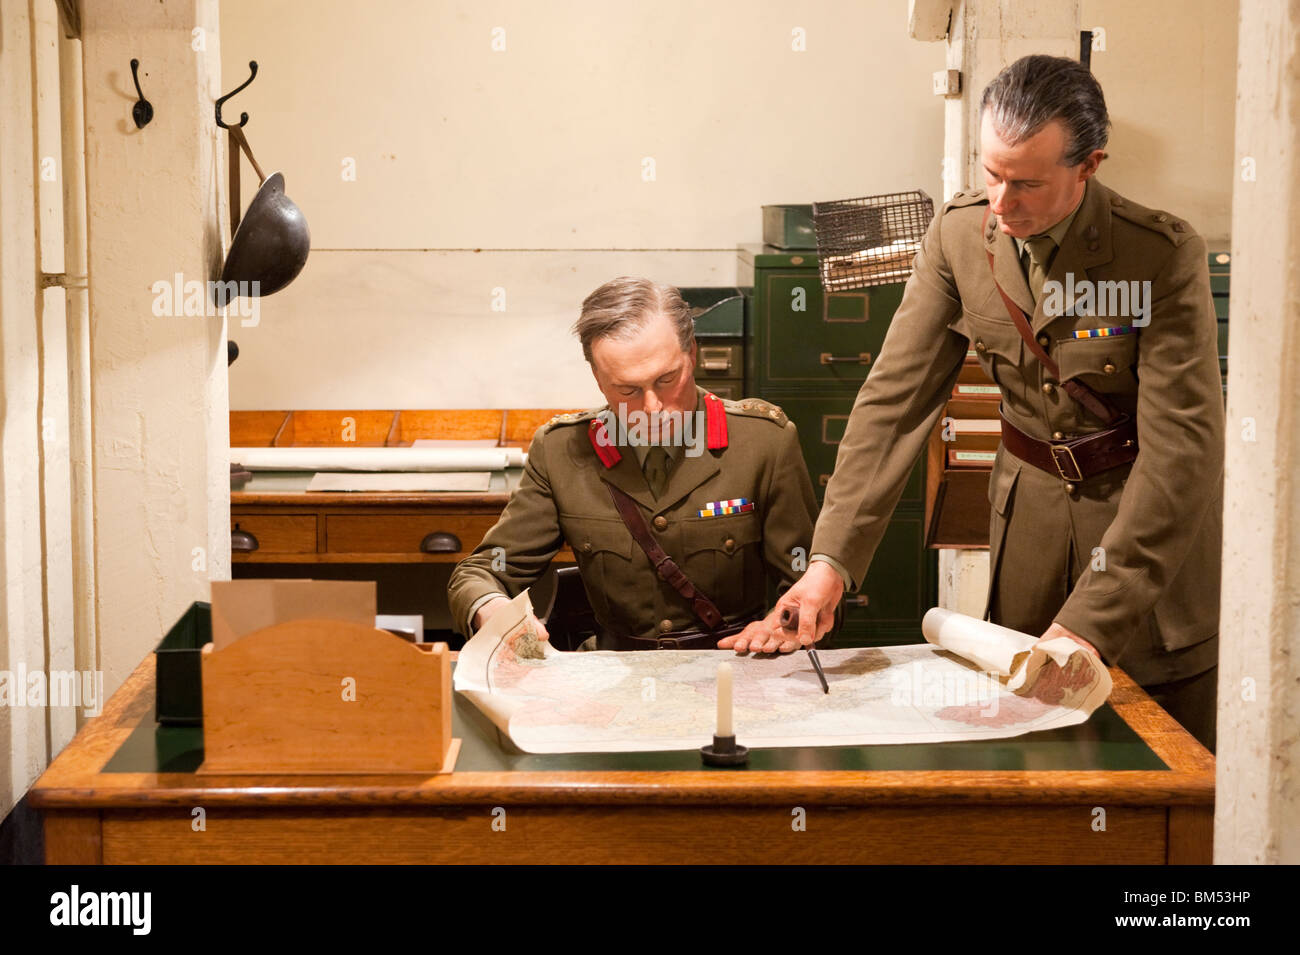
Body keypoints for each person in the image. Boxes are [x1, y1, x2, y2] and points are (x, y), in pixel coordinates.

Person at [741, 55, 1224, 751]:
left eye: (1025, 183)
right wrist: (829, 565)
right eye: (991, 175)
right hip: (1029, 534)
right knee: (1027, 772)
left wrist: (1091, 620)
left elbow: (1183, 452)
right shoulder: (959, 238)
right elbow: (892, 404)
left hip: (1145, 556)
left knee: (1162, 783)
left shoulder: (1159, 255)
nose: (1001, 204)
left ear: (1089, 165)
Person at [448, 276, 818, 650]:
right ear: (598, 378)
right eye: (628, 390)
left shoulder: (763, 442)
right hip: (614, 675)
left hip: (732, 669)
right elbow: (482, 571)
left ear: (692, 353)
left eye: (667, 379)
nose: (653, 407)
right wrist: (491, 608)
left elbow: (811, 583)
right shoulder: (562, 451)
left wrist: (786, 625)